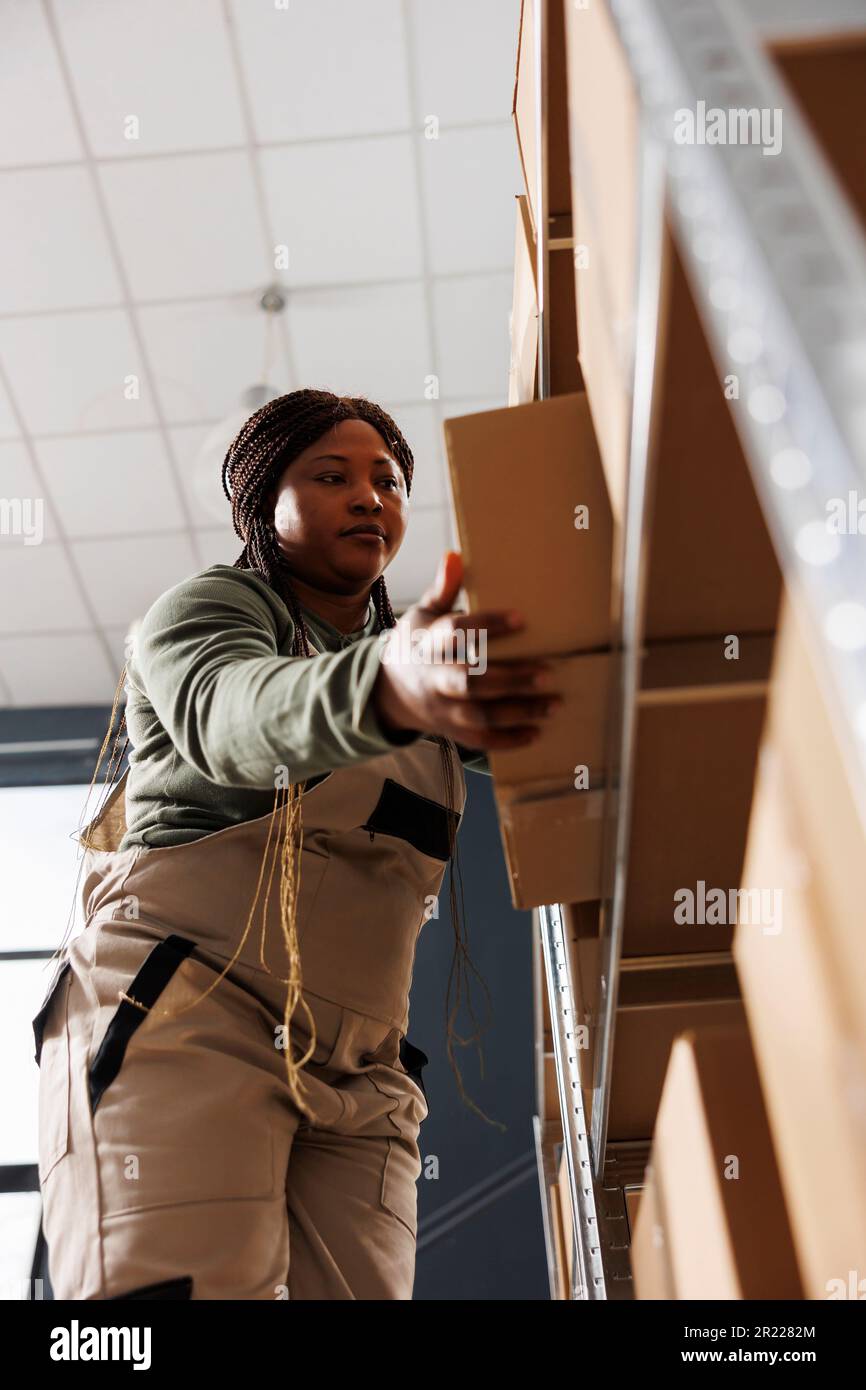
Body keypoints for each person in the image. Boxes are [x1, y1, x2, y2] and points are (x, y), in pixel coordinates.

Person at [32, 389, 560, 1301]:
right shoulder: (204, 614)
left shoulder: (421, 662)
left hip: (364, 1075)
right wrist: (388, 689)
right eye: (332, 476)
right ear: (261, 504)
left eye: (388, 481)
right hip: (190, 1018)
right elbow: (234, 715)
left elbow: (570, 722)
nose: (370, 497)